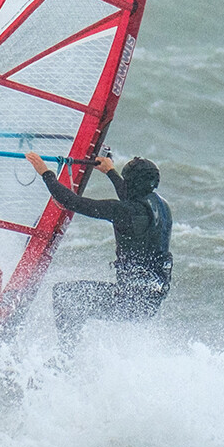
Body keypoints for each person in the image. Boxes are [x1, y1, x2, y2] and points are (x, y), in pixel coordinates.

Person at [24, 150, 173, 355]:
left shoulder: (125, 212)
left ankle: (65, 359)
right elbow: (131, 197)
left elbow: (72, 202)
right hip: (150, 300)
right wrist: (110, 171)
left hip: (130, 301)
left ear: (133, 184)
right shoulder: (161, 206)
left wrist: (45, 173)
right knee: (77, 299)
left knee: (65, 294)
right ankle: (71, 356)